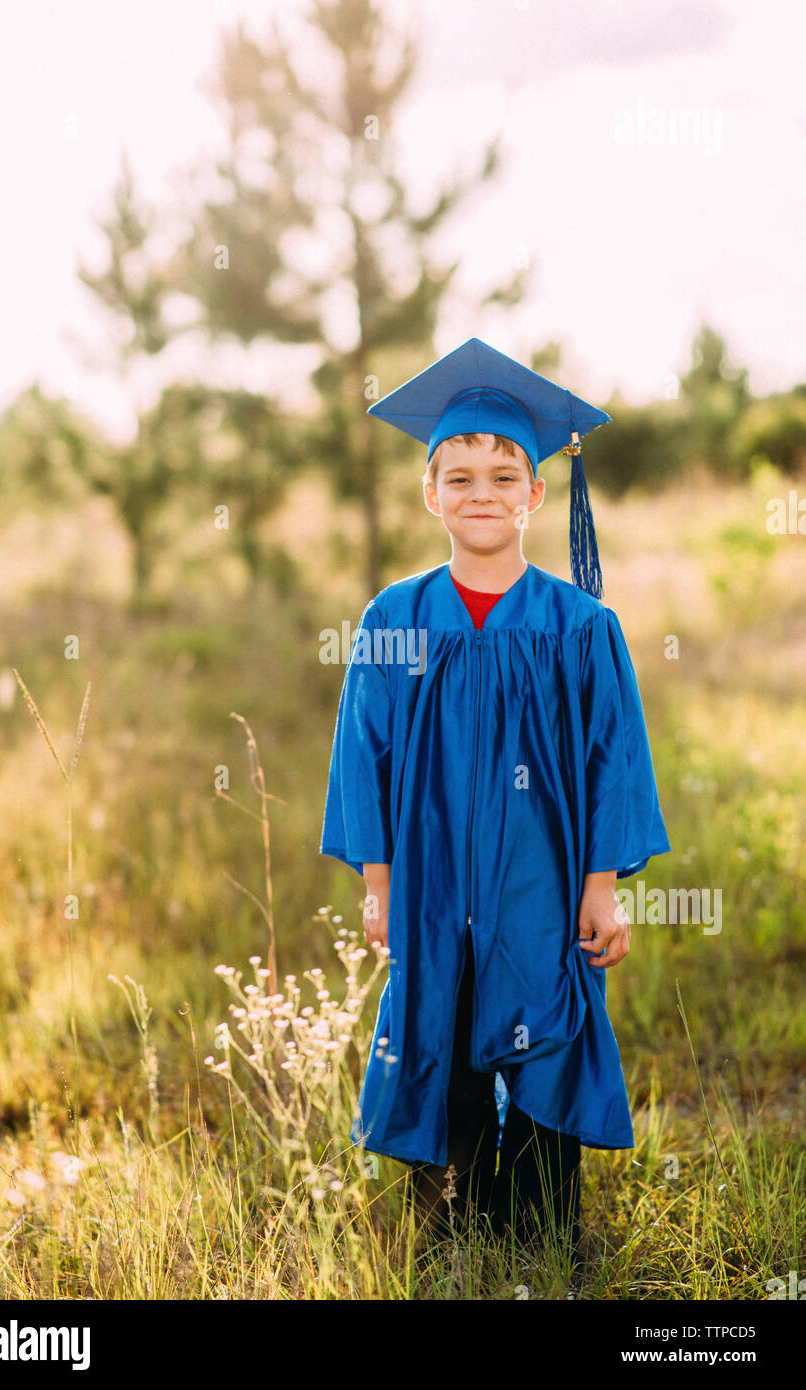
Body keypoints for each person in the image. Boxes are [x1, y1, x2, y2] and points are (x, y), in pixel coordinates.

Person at [320, 338, 671, 1258]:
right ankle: (452, 1222)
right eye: (460, 474)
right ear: (430, 494)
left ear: (536, 496)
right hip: (431, 877)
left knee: (545, 1017)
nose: (483, 491)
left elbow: (613, 759)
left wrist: (602, 883)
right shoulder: (393, 618)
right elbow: (364, 754)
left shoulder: (579, 626)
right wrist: (378, 881)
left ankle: (545, 1226)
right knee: (439, 1009)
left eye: (504, 474)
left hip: (542, 878)